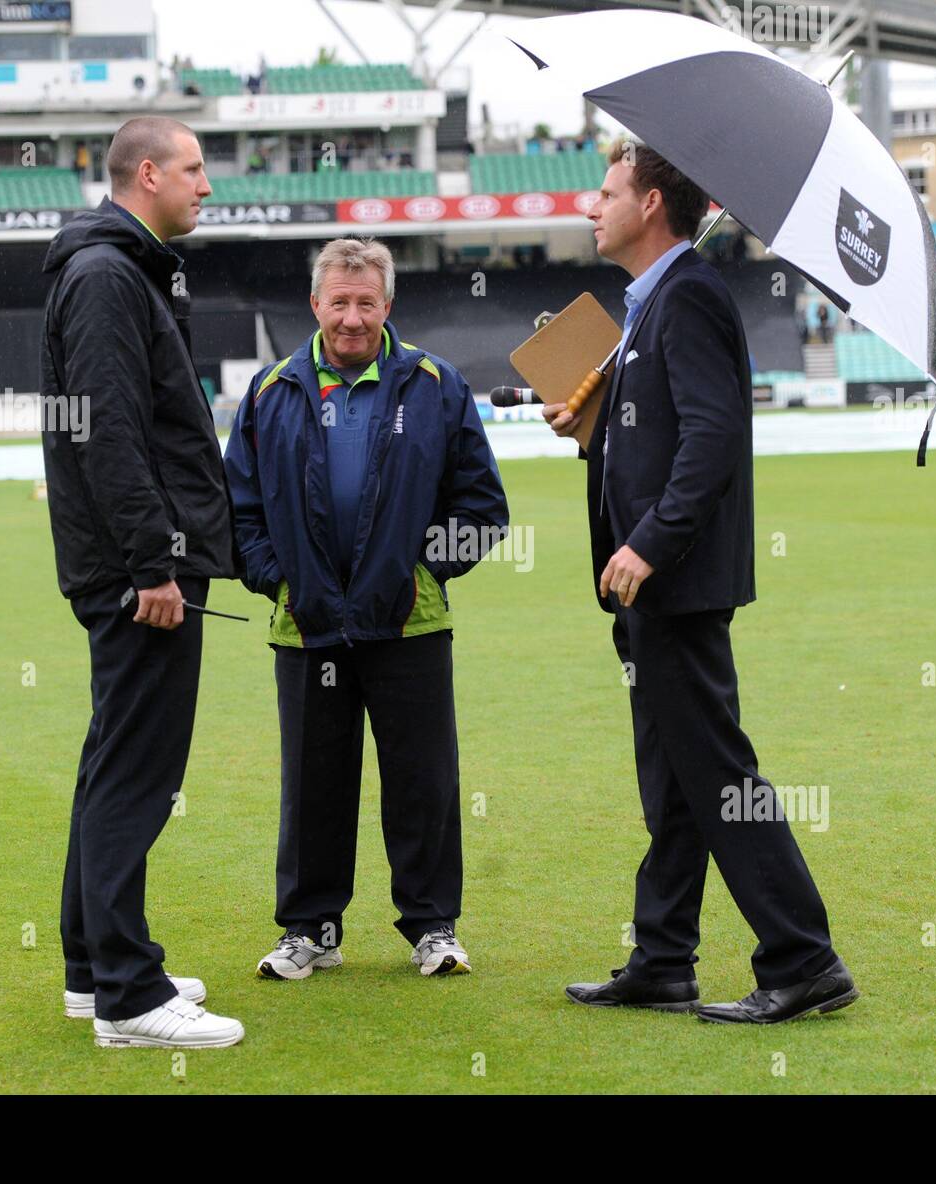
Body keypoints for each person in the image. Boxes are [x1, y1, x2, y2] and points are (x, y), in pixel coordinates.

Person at [543, 139, 856, 1023]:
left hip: (672, 582)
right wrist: (590, 433)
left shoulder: (689, 299)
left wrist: (649, 543)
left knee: (718, 774)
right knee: (676, 779)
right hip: (648, 586)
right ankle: (663, 958)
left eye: (606, 192)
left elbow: (713, 441)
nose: (590, 206)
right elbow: (658, 440)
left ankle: (803, 959)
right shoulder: (651, 305)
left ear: (649, 206)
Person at [224, 237, 508, 982]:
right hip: (308, 623)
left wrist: (423, 574)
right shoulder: (270, 391)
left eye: (366, 302)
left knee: (424, 783)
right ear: (315, 304)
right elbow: (237, 513)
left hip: (408, 623)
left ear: (388, 305)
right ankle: (309, 930)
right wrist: (277, 583)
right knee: (313, 784)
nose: (352, 317)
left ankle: (433, 928)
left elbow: (481, 507)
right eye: (339, 302)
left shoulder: (435, 384)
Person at [40, 116, 245, 1049]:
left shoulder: (119, 269)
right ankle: (128, 994)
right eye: (196, 169)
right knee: (137, 775)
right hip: (140, 573)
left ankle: (93, 969)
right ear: (150, 172)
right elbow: (108, 435)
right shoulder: (106, 276)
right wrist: (155, 563)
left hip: (134, 563)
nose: (208, 185)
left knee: (113, 763)